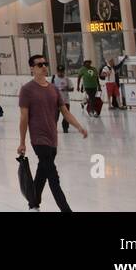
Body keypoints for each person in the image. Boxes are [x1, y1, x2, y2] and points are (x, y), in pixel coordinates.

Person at [18, 54, 87, 211]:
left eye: (45, 64)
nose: (43, 67)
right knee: (53, 177)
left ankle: (33, 204)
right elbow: (23, 118)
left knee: (42, 173)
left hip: (52, 139)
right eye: (39, 64)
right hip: (38, 139)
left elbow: (65, 112)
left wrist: (79, 127)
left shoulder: (54, 89)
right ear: (32, 68)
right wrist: (22, 142)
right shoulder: (27, 90)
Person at [52, 65, 72, 132]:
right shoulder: (53, 78)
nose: (61, 73)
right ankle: (54, 128)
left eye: (62, 71)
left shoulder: (67, 79)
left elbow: (71, 88)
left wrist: (66, 88)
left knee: (66, 115)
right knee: (55, 116)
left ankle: (65, 128)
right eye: (59, 72)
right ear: (57, 71)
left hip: (65, 101)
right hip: (55, 101)